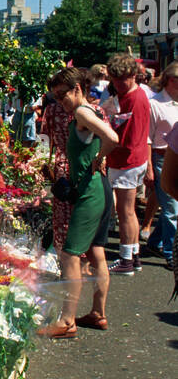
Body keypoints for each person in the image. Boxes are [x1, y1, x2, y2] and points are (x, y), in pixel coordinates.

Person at [38, 68, 118, 338]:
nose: (60, 102)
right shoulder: (91, 111)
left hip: (88, 191)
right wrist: (99, 158)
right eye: (55, 97)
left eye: (63, 95)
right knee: (96, 251)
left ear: (77, 89)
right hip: (98, 188)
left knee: (71, 255)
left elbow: (113, 138)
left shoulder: (83, 113)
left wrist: (99, 157)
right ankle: (97, 313)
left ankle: (67, 320)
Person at [105, 53, 151, 274]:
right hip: (131, 160)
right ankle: (133, 255)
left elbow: (126, 139)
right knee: (129, 211)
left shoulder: (135, 99)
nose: (117, 84)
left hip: (126, 161)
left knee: (124, 212)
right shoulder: (132, 95)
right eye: (114, 79)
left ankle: (125, 260)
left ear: (133, 76)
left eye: (121, 79)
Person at [145, 62, 178, 261]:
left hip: (174, 158)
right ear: (172, 81)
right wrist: (148, 166)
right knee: (172, 209)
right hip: (161, 158)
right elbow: (147, 138)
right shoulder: (154, 104)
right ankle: (171, 254)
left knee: (169, 207)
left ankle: (155, 241)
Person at [42, 92, 72, 252]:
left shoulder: (91, 111)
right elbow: (45, 137)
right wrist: (41, 160)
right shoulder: (52, 110)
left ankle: (79, 261)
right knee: (62, 214)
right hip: (63, 169)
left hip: (80, 170)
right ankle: (65, 256)